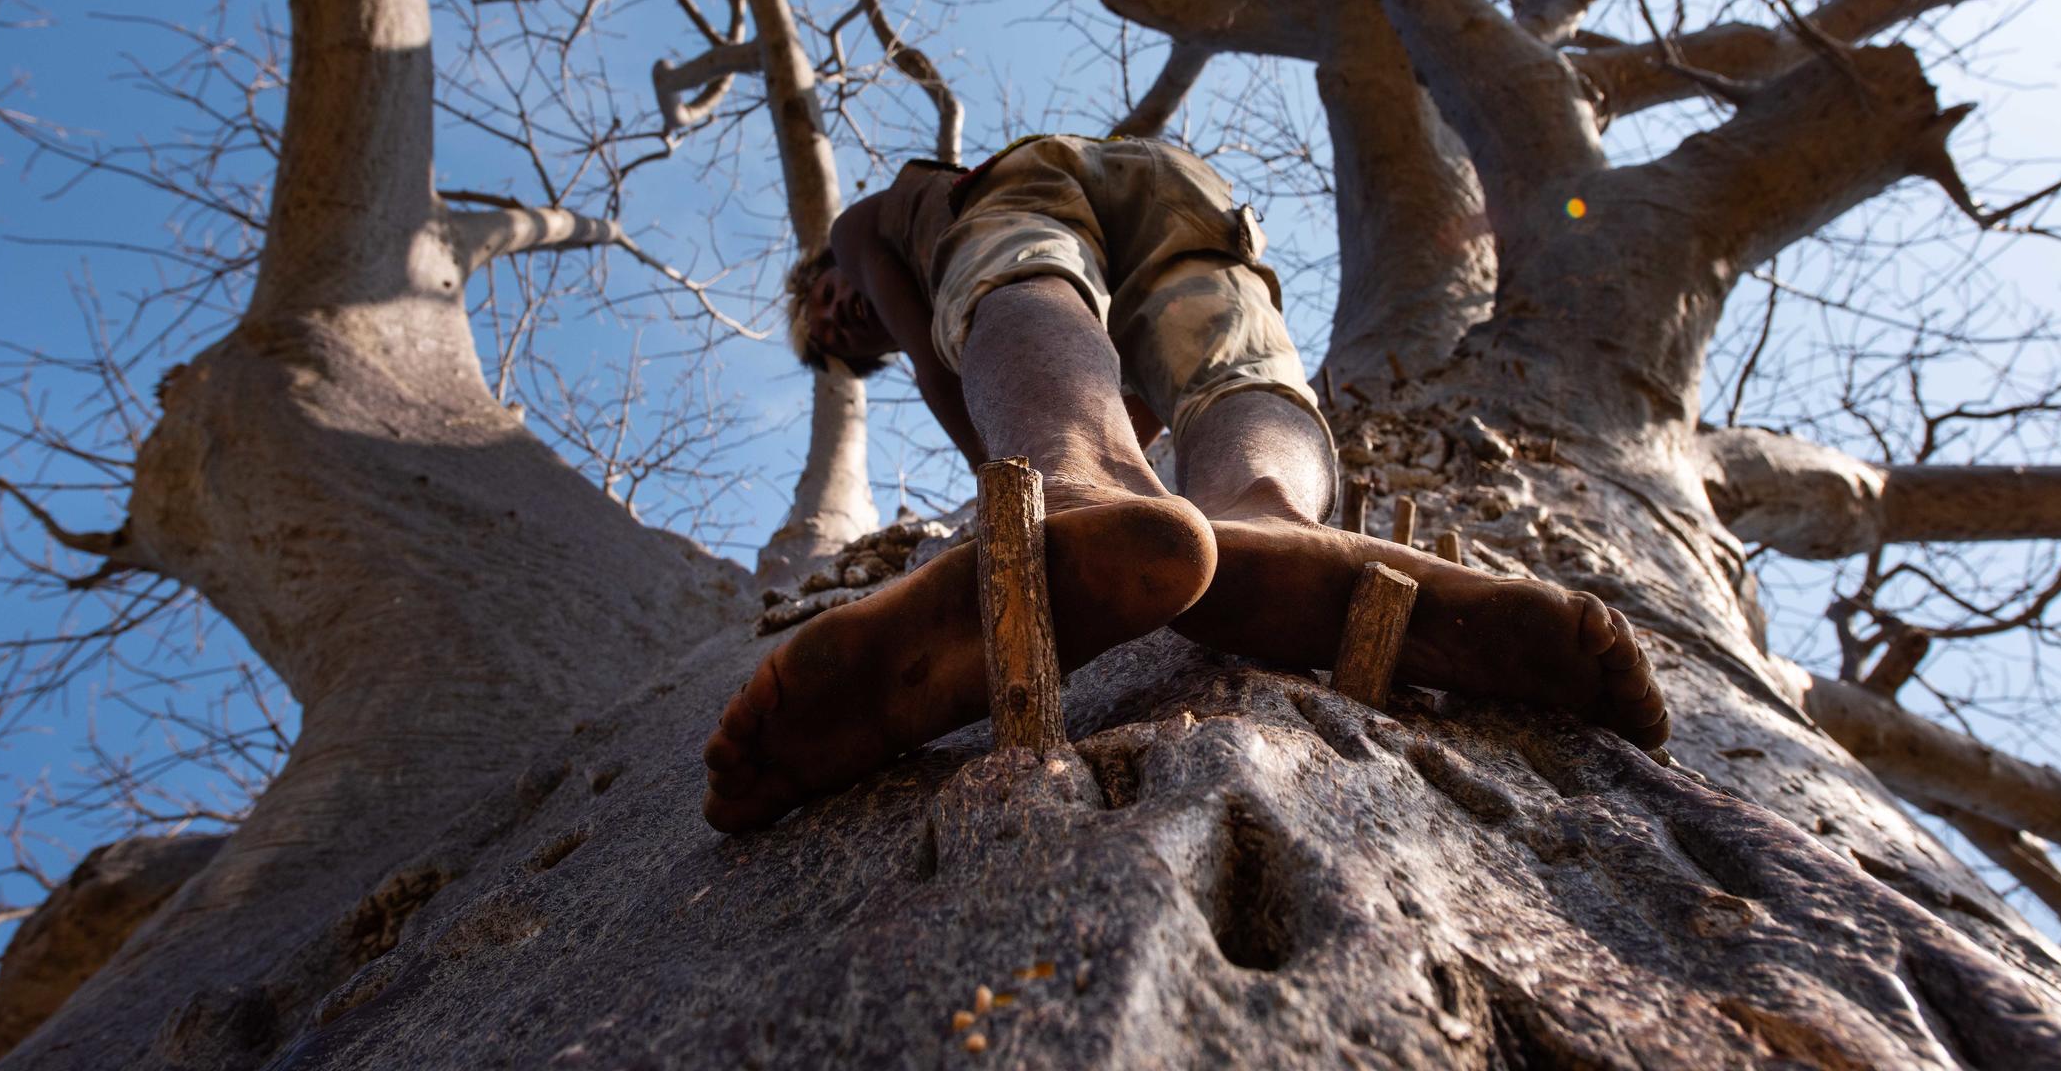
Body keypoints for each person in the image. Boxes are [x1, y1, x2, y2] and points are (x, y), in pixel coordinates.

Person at [703, 135, 1668, 832]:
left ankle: (1073, 492)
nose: (847, 320)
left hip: (1023, 187)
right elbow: (1117, 375)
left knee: (1020, 282)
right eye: (841, 342)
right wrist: (1135, 453)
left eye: (831, 310)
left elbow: (931, 352)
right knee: (1237, 358)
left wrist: (1009, 474)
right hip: (1175, 185)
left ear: (823, 272)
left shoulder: (867, 225)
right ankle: (1265, 516)